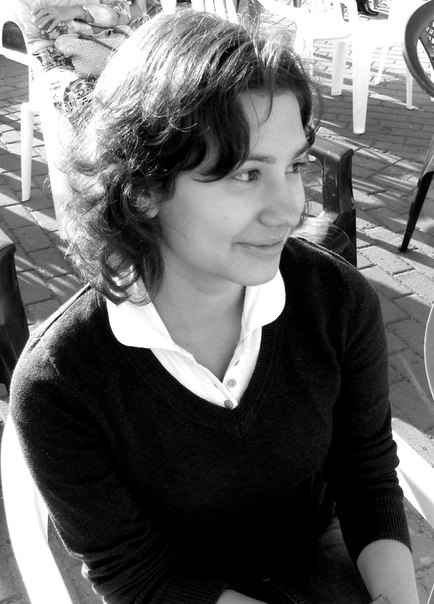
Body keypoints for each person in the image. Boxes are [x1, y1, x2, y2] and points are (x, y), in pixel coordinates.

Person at [10, 9, 419, 604]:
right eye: (246, 174)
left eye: (295, 166)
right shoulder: (62, 382)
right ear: (142, 189)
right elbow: (135, 573)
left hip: (315, 555)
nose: (290, 209)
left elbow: (367, 477)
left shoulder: (336, 301)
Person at [14, 0, 148, 118]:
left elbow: (122, 12)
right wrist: (98, 18)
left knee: (149, 85)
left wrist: (78, 11)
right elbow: (44, 29)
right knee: (91, 99)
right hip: (55, 60)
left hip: (105, 50)